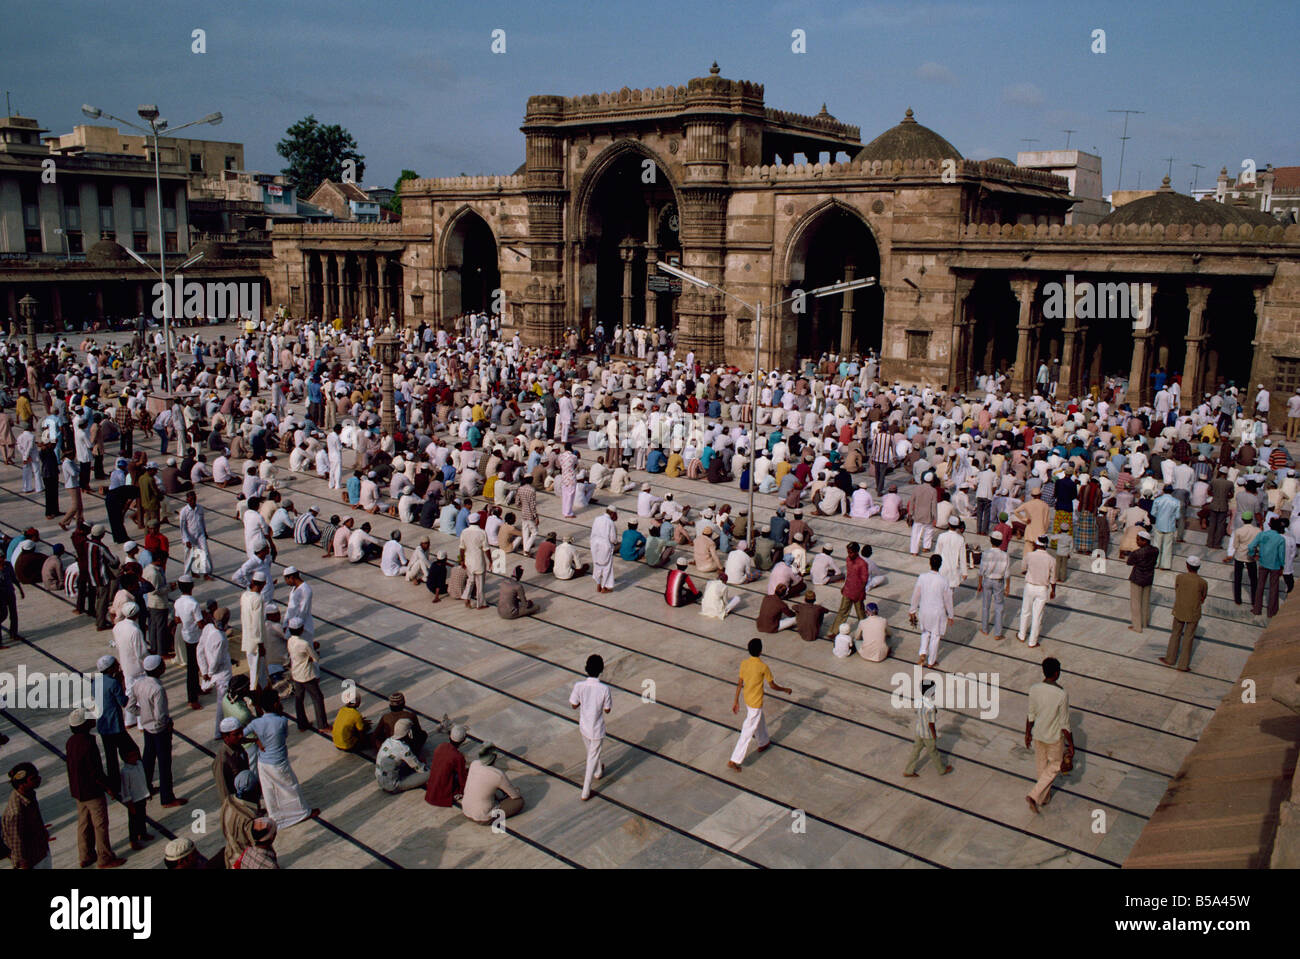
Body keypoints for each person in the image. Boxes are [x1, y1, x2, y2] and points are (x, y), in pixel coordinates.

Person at [244, 696, 319, 828]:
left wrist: (256, 740)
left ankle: (276, 818)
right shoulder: (282, 721)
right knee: (291, 787)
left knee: (270, 791)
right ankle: (302, 813)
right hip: (278, 762)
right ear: (274, 704)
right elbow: (284, 736)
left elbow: (241, 734)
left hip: (263, 762)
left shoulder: (256, 723)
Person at [65, 708, 126, 868]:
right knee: (100, 825)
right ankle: (105, 858)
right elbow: (95, 771)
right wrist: (108, 787)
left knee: (84, 824)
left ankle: (85, 855)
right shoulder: (88, 743)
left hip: (78, 791)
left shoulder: (71, 742)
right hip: (92, 791)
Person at [128, 655, 187, 808]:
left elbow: (130, 706)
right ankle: (167, 798)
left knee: (148, 759)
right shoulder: (158, 689)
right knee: (164, 764)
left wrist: (144, 714)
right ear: (158, 669)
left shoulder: (138, 683)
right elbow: (160, 716)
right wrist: (166, 724)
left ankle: (145, 788)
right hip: (160, 731)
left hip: (148, 728)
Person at [727, 638, 790, 772]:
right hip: (756, 703)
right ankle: (734, 759)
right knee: (747, 731)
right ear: (761, 651)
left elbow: (740, 683)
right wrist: (785, 689)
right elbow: (772, 685)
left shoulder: (744, 663)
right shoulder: (763, 667)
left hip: (747, 699)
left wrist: (736, 700)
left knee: (759, 721)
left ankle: (763, 742)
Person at [1025, 657, 1073, 814]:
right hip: (1054, 738)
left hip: (1038, 734)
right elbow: (1064, 724)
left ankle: (1043, 798)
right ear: (1057, 673)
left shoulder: (1034, 689)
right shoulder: (1061, 694)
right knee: (1055, 766)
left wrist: (1027, 734)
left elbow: (1030, 714)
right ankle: (1033, 795)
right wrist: (1071, 744)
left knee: (1041, 767)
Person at [569, 654, 613, 801]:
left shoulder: (579, 686)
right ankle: (585, 791)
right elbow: (607, 709)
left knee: (592, 753)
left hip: (584, 727)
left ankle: (599, 770)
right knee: (591, 757)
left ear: (586, 668)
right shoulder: (604, 689)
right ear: (601, 670)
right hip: (597, 729)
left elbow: (574, 705)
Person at [908, 554, 954, 668]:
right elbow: (948, 599)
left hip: (924, 610)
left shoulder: (922, 577)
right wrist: (951, 615)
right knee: (935, 636)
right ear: (940, 565)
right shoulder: (943, 581)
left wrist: (912, 609)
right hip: (937, 612)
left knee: (925, 632)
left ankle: (923, 652)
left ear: (930, 563)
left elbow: (916, 595)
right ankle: (931, 661)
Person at [1163, 555, 1207, 671]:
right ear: (1199, 567)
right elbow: (1203, 597)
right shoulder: (1202, 582)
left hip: (1179, 609)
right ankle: (1183, 665)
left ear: (1187, 565)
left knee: (1175, 634)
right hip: (1193, 612)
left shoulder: (1180, 577)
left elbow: (1177, 589)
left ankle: (1170, 659)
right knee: (1188, 638)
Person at [2, 762, 51, 869]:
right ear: (22, 783)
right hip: (32, 862)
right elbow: (15, 842)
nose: (39, 779)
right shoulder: (15, 812)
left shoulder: (29, 795)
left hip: (41, 854)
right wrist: (22, 863)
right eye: (33, 778)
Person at [461, 743, 524, 824]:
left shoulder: (474, 764)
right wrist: (516, 791)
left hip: (466, 810)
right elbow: (515, 796)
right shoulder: (498, 775)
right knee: (519, 802)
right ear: (495, 758)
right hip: (482, 817)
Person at [903, 680, 953, 777]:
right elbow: (931, 723)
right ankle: (941, 769)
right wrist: (934, 735)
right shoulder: (930, 707)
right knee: (933, 752)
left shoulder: (919, 700)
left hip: (919, 729)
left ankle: (908, 770)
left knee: (916, 750)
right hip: (927, 733)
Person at [287, 617, 329, 733]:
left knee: (299, 699)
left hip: (296, 673)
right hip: (307, 675)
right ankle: (322, 724)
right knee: (317, 698)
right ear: (301, 629)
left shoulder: (290, 641)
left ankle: (302, 724)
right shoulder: (304, 643)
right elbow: (315, 657)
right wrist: (315, 654)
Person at [1018, 535, 1057, 648]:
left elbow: (1023, 569)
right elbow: (1053, 579)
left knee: (1025, 611)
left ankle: (1021, 635)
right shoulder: (1051, 560)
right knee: (1037, 616)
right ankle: (1032, 642)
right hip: (1042, 589)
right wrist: (1053, 591)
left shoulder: (1029, 555)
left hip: (1029, 586)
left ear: (1037, 544)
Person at [375, 719, 430, 793]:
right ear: (409, 733)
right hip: (393, 786)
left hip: (380, 780)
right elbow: (419, 768)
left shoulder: (387, 741)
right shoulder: (404, 749)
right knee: (430, 773)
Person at [425, 724, 471, 807]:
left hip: (431, 789)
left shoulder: (441, 746)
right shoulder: (458, 756)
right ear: (463, 740)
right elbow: (462, 778)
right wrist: (463, 791)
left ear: (450, 736)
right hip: (442, 794)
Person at [828, 542, 868, 634]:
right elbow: (849, 575)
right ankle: (834, 631)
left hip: (858, 593)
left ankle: (865, 632)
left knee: (860, 614)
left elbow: (864, 581)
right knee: (842, 611)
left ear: (857, 552)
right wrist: (845, 586)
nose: (849, 554)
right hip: (848, 590)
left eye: (851, 552)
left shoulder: (862, 564)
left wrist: (861, 593)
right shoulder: (848, 560)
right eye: (848, 552)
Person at [977, 530, 1011, 639]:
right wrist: (1008, 587)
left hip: (987, 580)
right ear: (1001, 542)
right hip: (998, 582)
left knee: (985, 606)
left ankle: (985, 629)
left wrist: (979, 584)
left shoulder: (986, 553)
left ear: (991, 540)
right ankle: (998, 633)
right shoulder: (1005, 555)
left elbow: (981, 570)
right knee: (999, 607)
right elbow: (1007, 573)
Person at [1126, 529, 1159, 632]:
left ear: (1144, 541)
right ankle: (1145, 623)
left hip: (1137, 578)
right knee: (1145, 602)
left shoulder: (1137, 553)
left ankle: (1137, 626)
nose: (1137, 541)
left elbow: (1129, 562)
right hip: (1149, 578)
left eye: (1138, 540)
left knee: (1136, 603)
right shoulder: (1155, 550)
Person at [332, 687, 371, 754]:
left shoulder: (342, 710)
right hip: (349, 746)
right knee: (369, 731)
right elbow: (361, 732)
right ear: (356, 702)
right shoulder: (356, 715)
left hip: (337, 744)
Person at [590, 507, 619, 593]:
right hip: (605, 546)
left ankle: (598, 584)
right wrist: (616, 542)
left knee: (597, 565)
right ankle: (604, 587)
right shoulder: (610, 523)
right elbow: (613, 538)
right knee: (607, 567)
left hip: (594, 545)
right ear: (613, 514)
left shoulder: (597, 518)